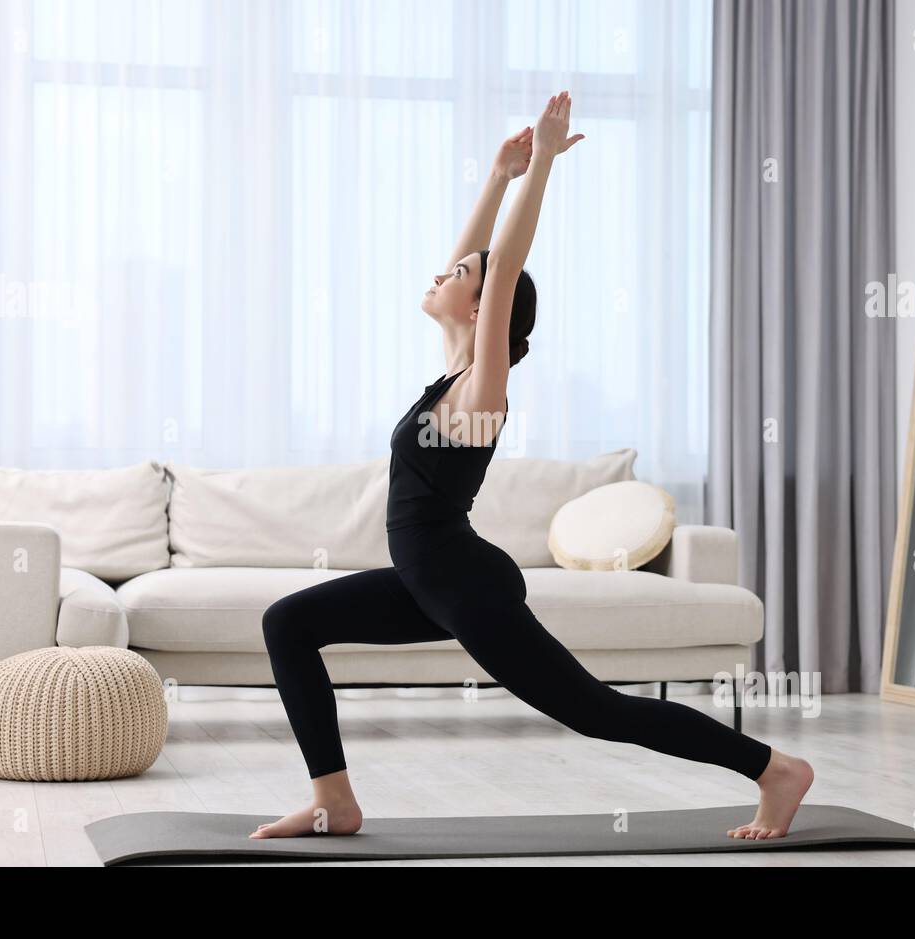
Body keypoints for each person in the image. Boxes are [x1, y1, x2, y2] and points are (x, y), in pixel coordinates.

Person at [252, 91, 813, 841]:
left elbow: (503, 267)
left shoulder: (482, 393)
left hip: (464, 584)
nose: (439, 275)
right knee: (288, 622)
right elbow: (485, 266)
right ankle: (334, 800)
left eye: (458, 274)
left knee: (594, 711)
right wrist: (497, 175)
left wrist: (542, 164)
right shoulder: (448, 377)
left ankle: (776, 769)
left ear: (484, 307)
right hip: (432, 580)